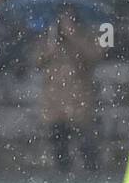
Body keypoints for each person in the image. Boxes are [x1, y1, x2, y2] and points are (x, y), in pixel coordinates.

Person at [34, 9, 103, 171]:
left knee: (86, 142)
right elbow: (37, 60)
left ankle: (91, 171)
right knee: (59, 142)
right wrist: (48, 49)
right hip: (54, 99)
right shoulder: (49, 37)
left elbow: (95, 55)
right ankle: (62, 172)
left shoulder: (87, 34)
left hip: (79, 97)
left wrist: (73, 35)